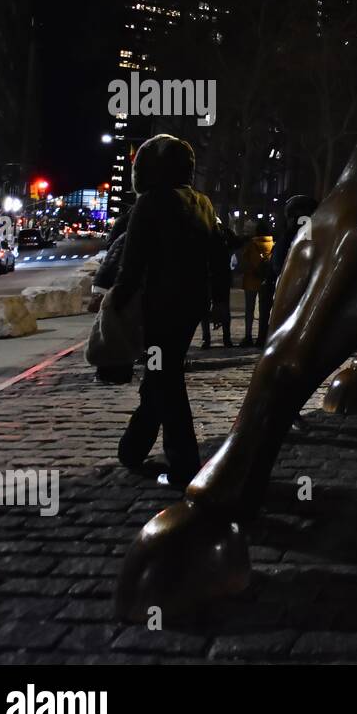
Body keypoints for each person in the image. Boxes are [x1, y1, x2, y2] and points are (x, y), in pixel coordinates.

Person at [110, 135, 228, 488]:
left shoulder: (151, 202)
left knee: (166, 381)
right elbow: (218, 255)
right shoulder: (203, 203)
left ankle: (183, 463)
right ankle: (133, 448)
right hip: (190, 307)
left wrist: (116, 302)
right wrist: (219, 300)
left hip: (159, 308)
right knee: (160, 375)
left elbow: (132, 263)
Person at [199, 217, 236, 348]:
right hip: (222, 277)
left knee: (205, 309)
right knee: (224, 307)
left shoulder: (205, 236)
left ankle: (206, 339)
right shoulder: (226, 236)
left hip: (209, 276)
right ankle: (227, 338)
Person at [240, 219, 274, 346]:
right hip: (264, 281)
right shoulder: (272, 243)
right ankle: (261, 337)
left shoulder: (252, 244)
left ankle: (248, 336)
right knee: (264, 311)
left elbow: (244, 263)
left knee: (249, 309)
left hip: (250, 280)